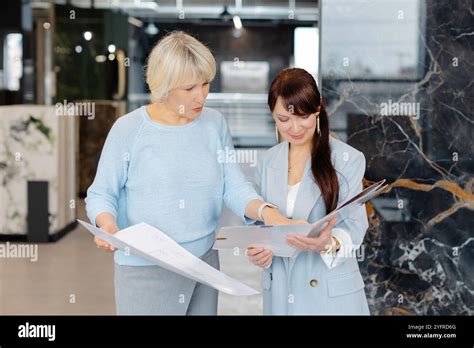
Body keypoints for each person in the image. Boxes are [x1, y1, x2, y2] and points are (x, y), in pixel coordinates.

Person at [85, 31, 298, 315]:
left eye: (206, 83)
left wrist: (272, 216)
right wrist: (107, 227)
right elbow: (101, 194)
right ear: (164, 86)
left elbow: (233, 187)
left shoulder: (214, 124)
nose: (201, 96)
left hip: (204, 262)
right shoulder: (129, 129)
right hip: (147, 268)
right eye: (189, 88)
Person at [247, 68, 370, 315]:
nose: (294, 128)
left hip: (328, 294)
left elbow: (355, 227)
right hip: (281, 291)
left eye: (303, 117)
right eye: (283, 119)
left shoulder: (347, 159)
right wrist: (259, 251)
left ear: (318, 110)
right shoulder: (267, 161)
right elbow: (259, 223)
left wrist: (328, 243)